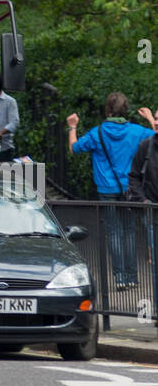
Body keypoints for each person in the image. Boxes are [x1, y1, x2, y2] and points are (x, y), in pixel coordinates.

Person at [67, 92, 156, 290]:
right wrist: (151, 118)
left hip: (106, 189)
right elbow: (156, 137)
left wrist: (72, 126)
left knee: (114, 233)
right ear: (126, 110)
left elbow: (74, 148)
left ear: (107, 110)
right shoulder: (136, 131)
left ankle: (120, 278)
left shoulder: (97, 132)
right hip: (129, 189)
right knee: (129, 231)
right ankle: (132, 277)